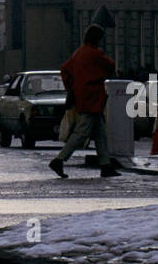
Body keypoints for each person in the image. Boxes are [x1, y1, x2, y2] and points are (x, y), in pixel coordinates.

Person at [49, 24, 118, 179]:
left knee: (100, 133)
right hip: (92, 97)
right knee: (81, 133)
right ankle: (59, 160)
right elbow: (111, 65)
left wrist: (71, 88)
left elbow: (65, 69)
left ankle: (105, 165)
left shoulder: (79, 53)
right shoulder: (95, 54)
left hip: (83, 96)